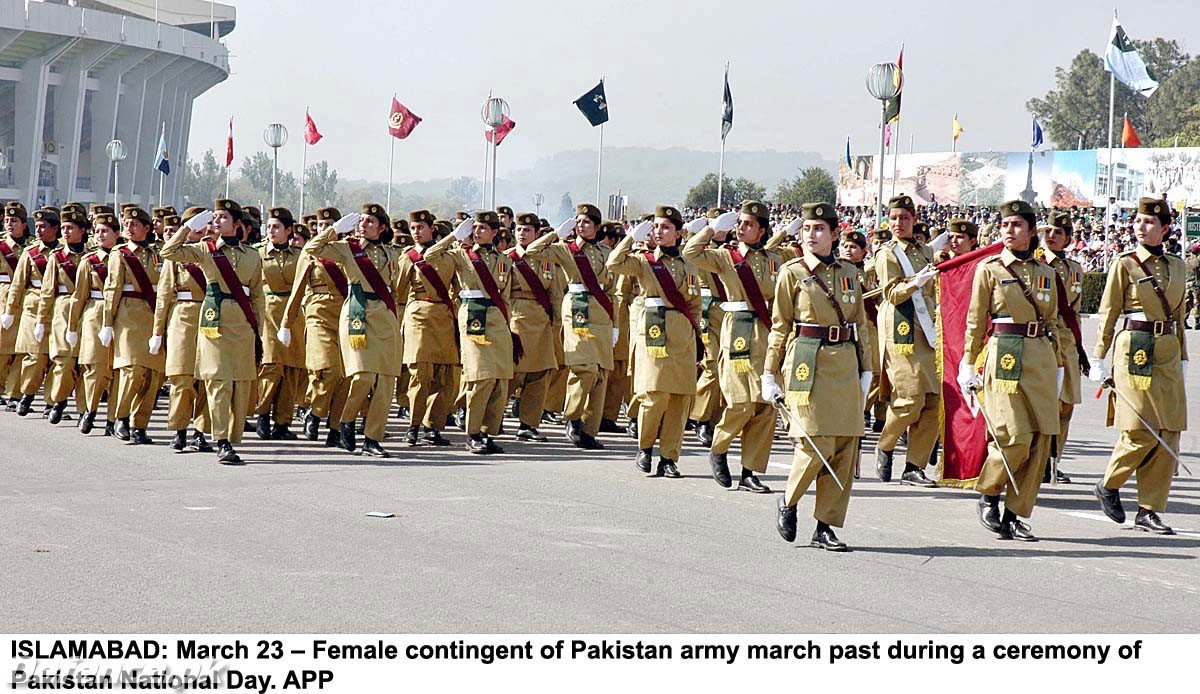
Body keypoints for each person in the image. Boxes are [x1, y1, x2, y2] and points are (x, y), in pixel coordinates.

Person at [764, 202, 872, 551]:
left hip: (844, 361)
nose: (811, 235)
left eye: (819, 229)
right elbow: (780, 327)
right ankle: (789, 499)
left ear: (834, 234)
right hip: (805, 360)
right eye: (807, 229)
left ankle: (825, 525)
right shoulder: (792, 273)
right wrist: (769, 372)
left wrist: (867, 368)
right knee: (815, 441)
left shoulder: (849, 273)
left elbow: (861, 325)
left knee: (843, 446)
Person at [957, 200, 1065, 541]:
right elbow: (976, 321)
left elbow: (1053, 322)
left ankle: (1016, 513)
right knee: (1013, 437)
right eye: (1005, 225)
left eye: (1017, 225)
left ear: (1032, 231)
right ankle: (989, 492)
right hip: (1004, 354)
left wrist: (1059, 363)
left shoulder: (1048, 273)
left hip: (1041, 359)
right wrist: (966, 362)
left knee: (1039, 441)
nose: (1009, 230)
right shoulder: (990, 270)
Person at [1090, 197, 1189, 535]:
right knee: (1139, 429)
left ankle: (1149, 509)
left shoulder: (1178, 265)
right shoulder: (1126, 264)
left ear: (1165, 228)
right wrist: (1098, 357)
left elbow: (1179, 316)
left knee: (1168, 431)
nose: (1141, 227)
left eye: (1149, 222)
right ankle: (1109, 484)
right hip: (1135, 346)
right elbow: (1109, 312)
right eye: (1137, 221)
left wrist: (1184, 356)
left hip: (1168, 350)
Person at [682, 201, 781, 492]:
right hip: (737, 330)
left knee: (764, 408)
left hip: (767, 333)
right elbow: (691, 253)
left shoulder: (776, 257)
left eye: (748, 224)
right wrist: (713, 229)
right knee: (741, 402)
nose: (741, 228)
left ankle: (750, 471)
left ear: (762, 230)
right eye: (739, 222)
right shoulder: (726, 257)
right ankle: (719, 447)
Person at [160, 200, 265, 464]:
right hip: (214, 321)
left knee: (240, 384)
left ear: (237, 224)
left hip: (242, 323)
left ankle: (231, 435)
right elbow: (169, 252)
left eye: (223, 218)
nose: (216, 222)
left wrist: (259, 332)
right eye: (214, 218)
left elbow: (258, 298)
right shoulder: (204, 251)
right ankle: (222, 441)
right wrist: (186, 229)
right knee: (217, 382)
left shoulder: (252, 256)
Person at [296, 204, 402, 458]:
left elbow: (394, 288)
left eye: (369, 222)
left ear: (382, 227)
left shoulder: (392, 253)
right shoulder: (347, 249)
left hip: (384, 317)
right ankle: (345, 420)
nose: (363, 225)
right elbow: (311, 249)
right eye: (361, 221)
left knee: (385, 381)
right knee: (362, 375)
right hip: (358, 313)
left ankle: (372, 439)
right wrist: (333, 230)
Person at [607, 206, 702, 478]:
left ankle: (669, 458)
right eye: (656, 227)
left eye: (665, 227)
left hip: (682, 334)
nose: (658, 232)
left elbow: (694, 304)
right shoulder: (644, 260)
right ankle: (645, 446)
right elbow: (613, 263)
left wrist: (696, 334)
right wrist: (629, 238)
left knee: (679, 399)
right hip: (653, 330)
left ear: (678, 232)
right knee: (654, 395)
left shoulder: (689, 265)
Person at [524, 204, 618, 450]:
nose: (581, 225)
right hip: (577, 309)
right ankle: (573, 417)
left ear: (597, 227)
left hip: (602, 313)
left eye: (587, 222)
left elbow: (612, 290)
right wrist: (556, 232)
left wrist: (615, 323)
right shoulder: (566, 249)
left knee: (600, 373)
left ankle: (589, 429)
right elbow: (532, 251)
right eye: (578, 221)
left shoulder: (605, 253)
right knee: (583, 367)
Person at [424, 211, 516, 454]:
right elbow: (429, 255)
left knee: (499, 379)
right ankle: (472, 432)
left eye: (483, 228)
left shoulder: (504, 260)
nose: (477, 232)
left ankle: (486, 431)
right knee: (481, 377)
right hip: (473, 317)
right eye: (474, 228)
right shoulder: (461, 255)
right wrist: (454, 236)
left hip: (498, 318)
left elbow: (505, 295)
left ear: (495, 232)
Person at [874, 195, 940, 487]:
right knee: (910, 399)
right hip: (901, 332)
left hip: (926, 332)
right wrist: (916, 282)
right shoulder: (887, 254)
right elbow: (891, 293)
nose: (899, 223)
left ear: (914, 220)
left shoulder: (926, 251)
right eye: (894, 218)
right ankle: (886, 444)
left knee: (933, 402)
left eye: (905, 218)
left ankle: (914, 466)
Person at [281, 207, 352, 448]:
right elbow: (298, 289)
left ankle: (335, 429)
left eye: (330, 224)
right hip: (318, 314)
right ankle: (315, 412)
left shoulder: (347, 251)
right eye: (321, 226)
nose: (326, 229)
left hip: (345, 314)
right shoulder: (310, 253)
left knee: (344, 376)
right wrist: (286, 323)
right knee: (327, 369)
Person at [100, 206, 166, 444]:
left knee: (152, 375)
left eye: (135, 224)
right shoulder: (120, 253)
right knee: (131, 370)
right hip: (128, 316)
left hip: (153, 317)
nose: (129, 227)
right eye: (127, 223)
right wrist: (107, 322)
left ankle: (140, 425)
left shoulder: (158, 254)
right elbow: (112, 288)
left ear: (147, 229)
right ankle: (121, 417)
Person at [151, 206, 212, 452]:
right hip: (183, 317)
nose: (198, 230)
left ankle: (201, 431)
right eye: (192, 225)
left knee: (207, 379)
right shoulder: (176, 256)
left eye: (201, 225)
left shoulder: (213, 251)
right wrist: (158, 331)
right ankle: (179, 430)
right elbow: (164, 296)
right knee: (181, 378)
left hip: (211, 316)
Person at [395, 210, 457, 447]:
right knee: (420, 375)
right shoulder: (408, 257)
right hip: (418, 316)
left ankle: (433, 427)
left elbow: (457, 288)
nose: (416, 232)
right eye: (413, 228)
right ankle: (413, 425)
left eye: (421, 227)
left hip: (443, 317)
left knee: (444, 376)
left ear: (432, 229)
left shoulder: (449, 257)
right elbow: (399, 293)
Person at [1, 207, 61, 416]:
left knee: (56, 358)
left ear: (55, 228)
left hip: (59, 308)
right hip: (32, 306)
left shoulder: (63, 252)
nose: (40, 230)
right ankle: (24, 394)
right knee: (32, 355)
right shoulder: (31, 253)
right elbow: (18, 284)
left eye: (44, 226)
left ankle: (51, 402)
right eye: (38, 226)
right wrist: (10, 310)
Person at [506, 213, 561, 442]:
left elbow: (555, 293)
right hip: (517, 318)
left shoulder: (546, 261)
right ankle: (491, 418)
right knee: (512, 373)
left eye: (527, 230)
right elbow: (503, 293)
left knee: (539, 375)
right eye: (519, 229)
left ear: (537, 234)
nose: (522, 233)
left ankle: (528, 424)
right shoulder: (507, 258)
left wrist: (556, 323)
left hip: (542, 321)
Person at [1042, 211, 1087, 484]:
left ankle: (1053, 461)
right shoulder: (1035, 265)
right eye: (1048, 231)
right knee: (1047, 403)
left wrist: (1080, 345)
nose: (1051, 236)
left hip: (1068, 341)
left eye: (1058, 232)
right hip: (1046, 340)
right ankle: (1040, 462)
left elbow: (1076, 310)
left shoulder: (1075, 269)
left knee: (1066, 405)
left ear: (1068, 238)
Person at [253, 207, 305, 440]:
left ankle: (283, 422)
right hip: (268, 313)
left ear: (289, 230)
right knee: (271, 365)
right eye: (269, 226)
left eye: (276, 227)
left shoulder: (299, 255)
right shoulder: (258, 253)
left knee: (292, 368)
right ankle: (262, 413)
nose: (271, 231)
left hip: (294, 314)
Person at [34, 207, 90, 423]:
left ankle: (85, 410)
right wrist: (41, 320)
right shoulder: (57, 257)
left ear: (82, 230)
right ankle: (58, 400)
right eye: (64, 228)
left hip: (87, 312)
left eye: (71, 228)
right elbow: (47, 292)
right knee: (64, 362)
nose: (65, 232)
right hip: (63, 312)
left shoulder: (91, 256)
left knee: (85, 364)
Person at [0, 202, 33, 409]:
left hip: (27, 300)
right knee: (3, 347)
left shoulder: (32, 247)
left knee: (23, 349)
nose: (10, 224)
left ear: (23, 224)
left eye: (14, 221)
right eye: (7, 221)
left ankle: (14, 392)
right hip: (3, 297)